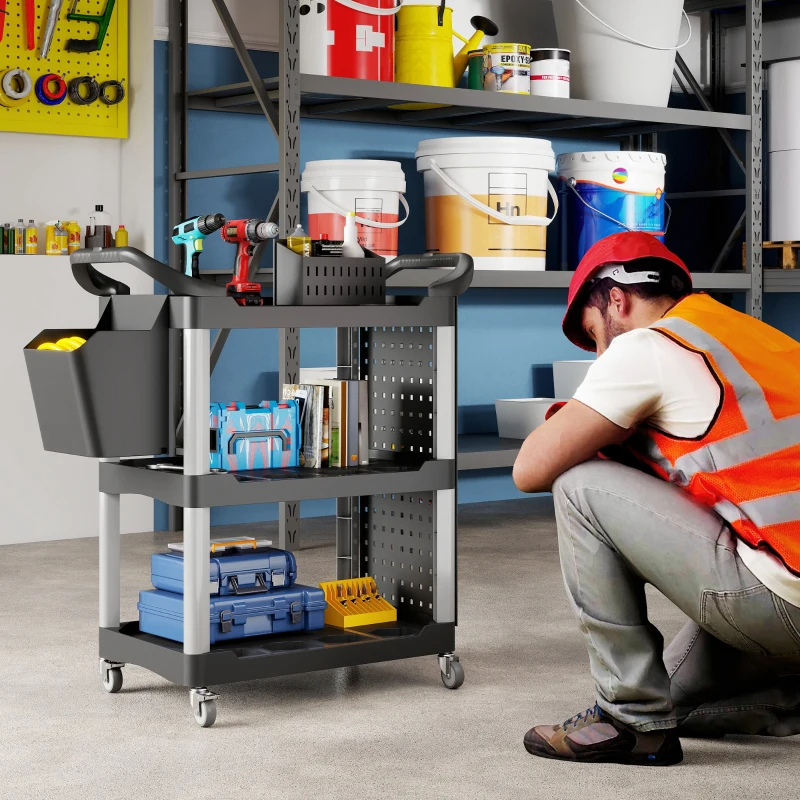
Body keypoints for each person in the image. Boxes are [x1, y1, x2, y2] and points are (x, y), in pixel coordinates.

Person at [513, 231, 800, 766]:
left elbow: (529, 468)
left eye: (596, 335)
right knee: (679, 701)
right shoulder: (750, 335)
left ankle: (629, 721)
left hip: (788, 602)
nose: (602, 353)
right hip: (782, 575)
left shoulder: (649, 345)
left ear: (615, 299)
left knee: (576, 486)